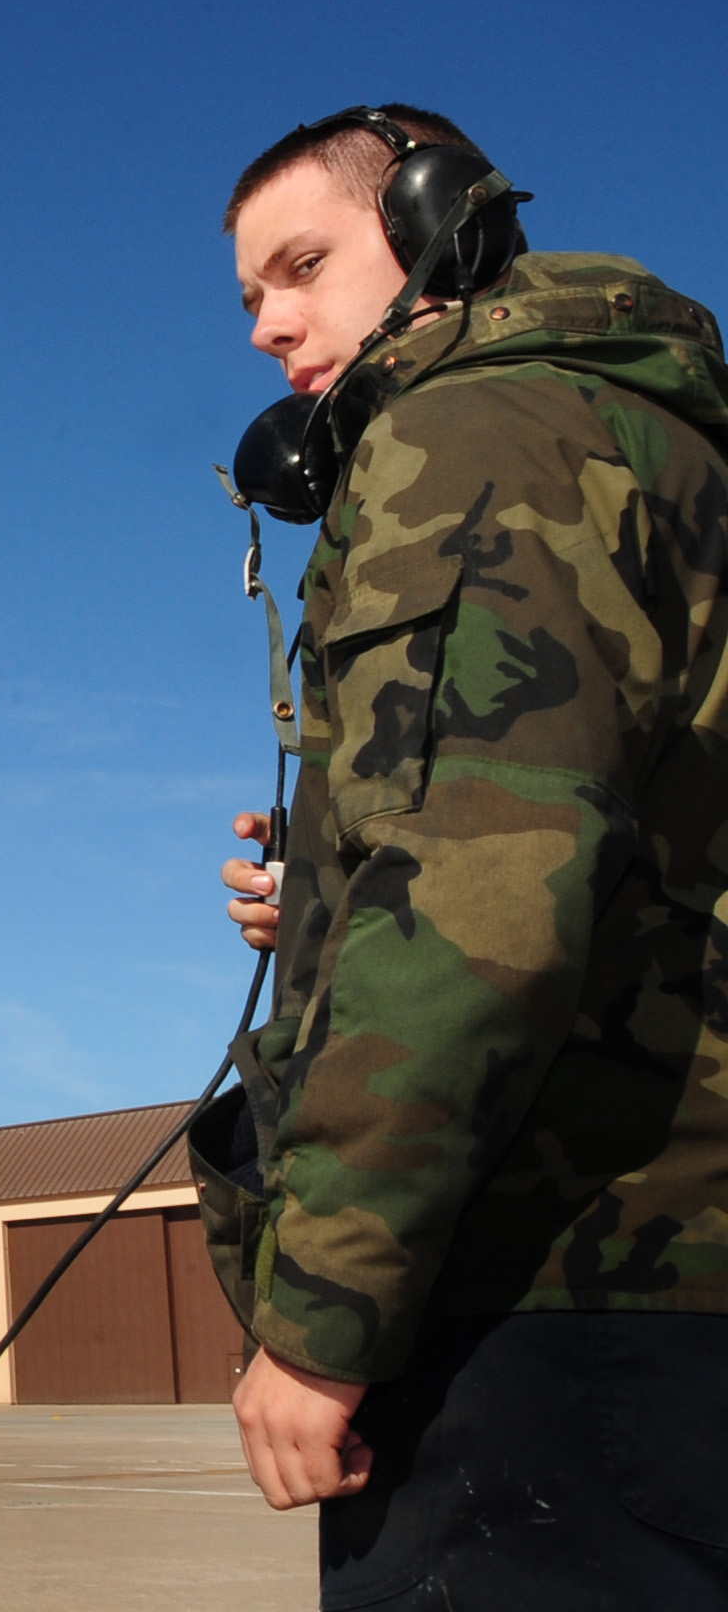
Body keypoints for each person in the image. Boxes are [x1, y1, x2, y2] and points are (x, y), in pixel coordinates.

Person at [213, 105, 728, 1605]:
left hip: (559, 1285)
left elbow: (478, 893)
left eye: (300, 266)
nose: (267, 326)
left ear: (439, 221)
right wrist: (323, 886)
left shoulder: (470, 437)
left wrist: (321, 1317)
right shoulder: (641, 437)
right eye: (249, 296)